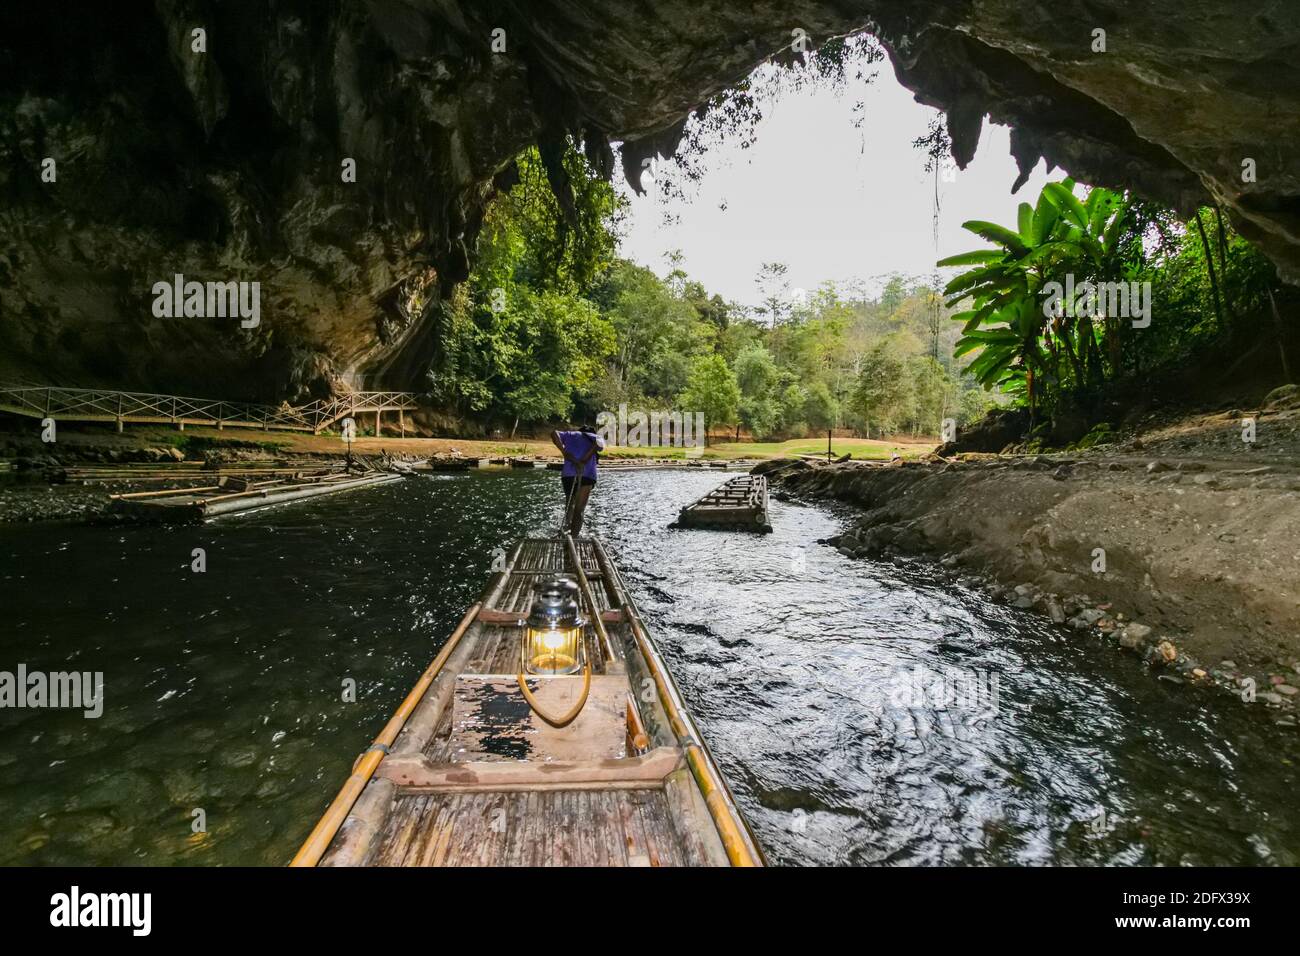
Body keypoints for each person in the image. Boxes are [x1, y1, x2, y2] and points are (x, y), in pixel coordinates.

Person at [551, 424, 604, 535]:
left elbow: (554, 433)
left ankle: (565, 530)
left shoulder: (570, 434)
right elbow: (599, 444)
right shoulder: (595, 437)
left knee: (570, 504)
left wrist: (564, 451)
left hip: (568, 475)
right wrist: (584, 460)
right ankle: (574, 537)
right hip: (587, 475)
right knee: (579, 509)